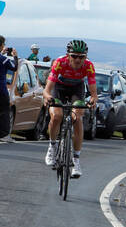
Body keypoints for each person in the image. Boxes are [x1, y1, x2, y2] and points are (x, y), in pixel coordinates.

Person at [41, 39, 96, 178]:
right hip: (58, 88)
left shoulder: (89, 66)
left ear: (86, 57)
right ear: (68, 55)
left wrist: (93, 99)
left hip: (76, 90)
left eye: (81, 57)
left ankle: (76, 160)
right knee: (57, 116)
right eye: (74, 56)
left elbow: (93, 92)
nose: (78, 60)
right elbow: (47, 89)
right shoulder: (59, 62)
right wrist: (47, 97)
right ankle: (52, 146)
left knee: (77, 118)